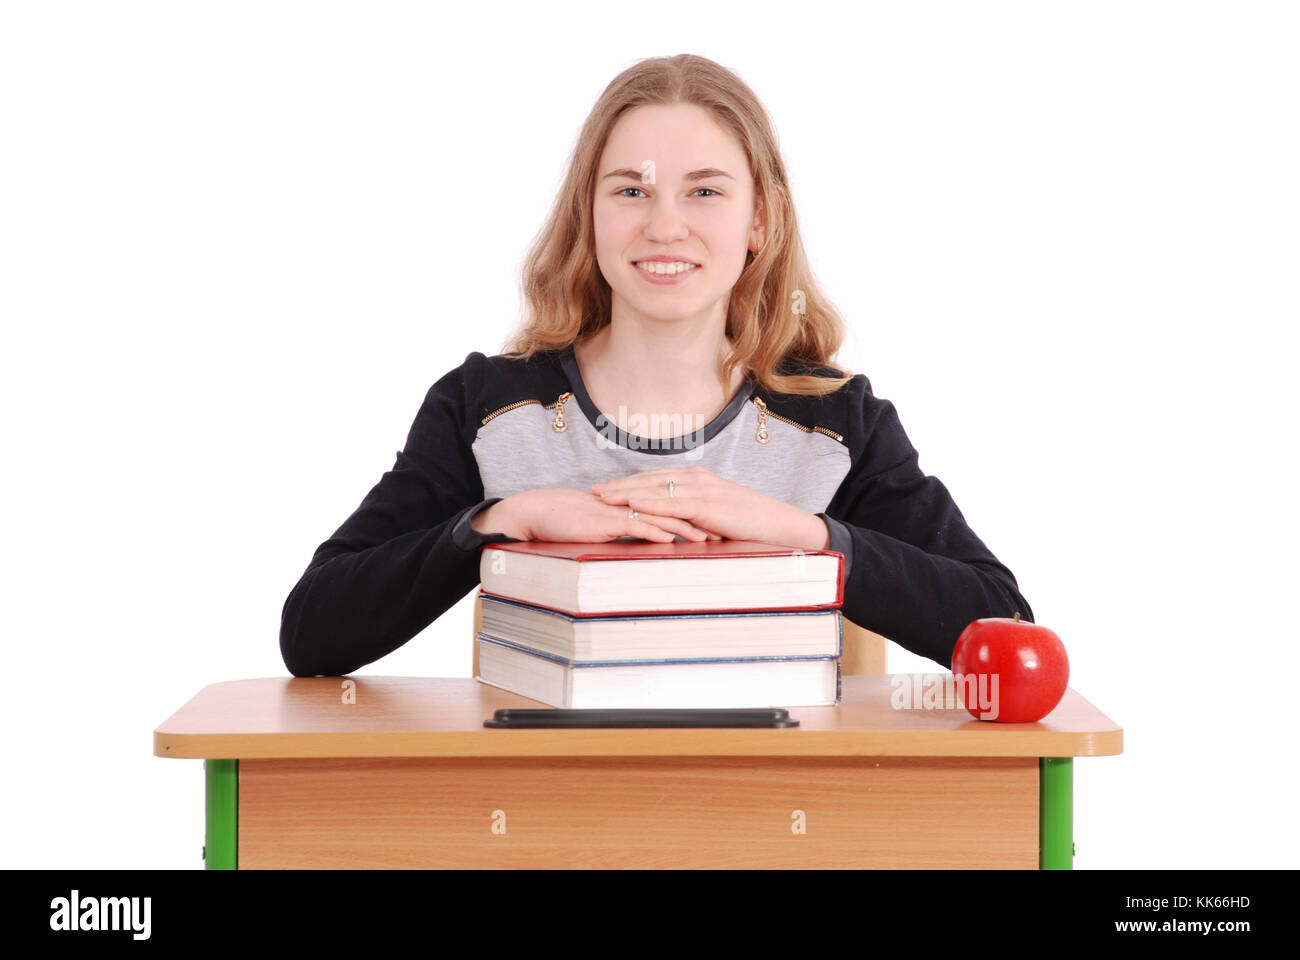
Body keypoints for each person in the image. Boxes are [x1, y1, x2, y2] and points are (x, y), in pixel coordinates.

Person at [279, 54, 1032, 679]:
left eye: (704, 191)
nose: (664, 224)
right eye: (631, 191)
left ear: (758, 222)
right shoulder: (483, 408)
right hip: (548, 818)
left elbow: (1005, 627)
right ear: (591, 215)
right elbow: (313, 632)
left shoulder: (837, 422)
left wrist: (798, 531)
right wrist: (498, 521)